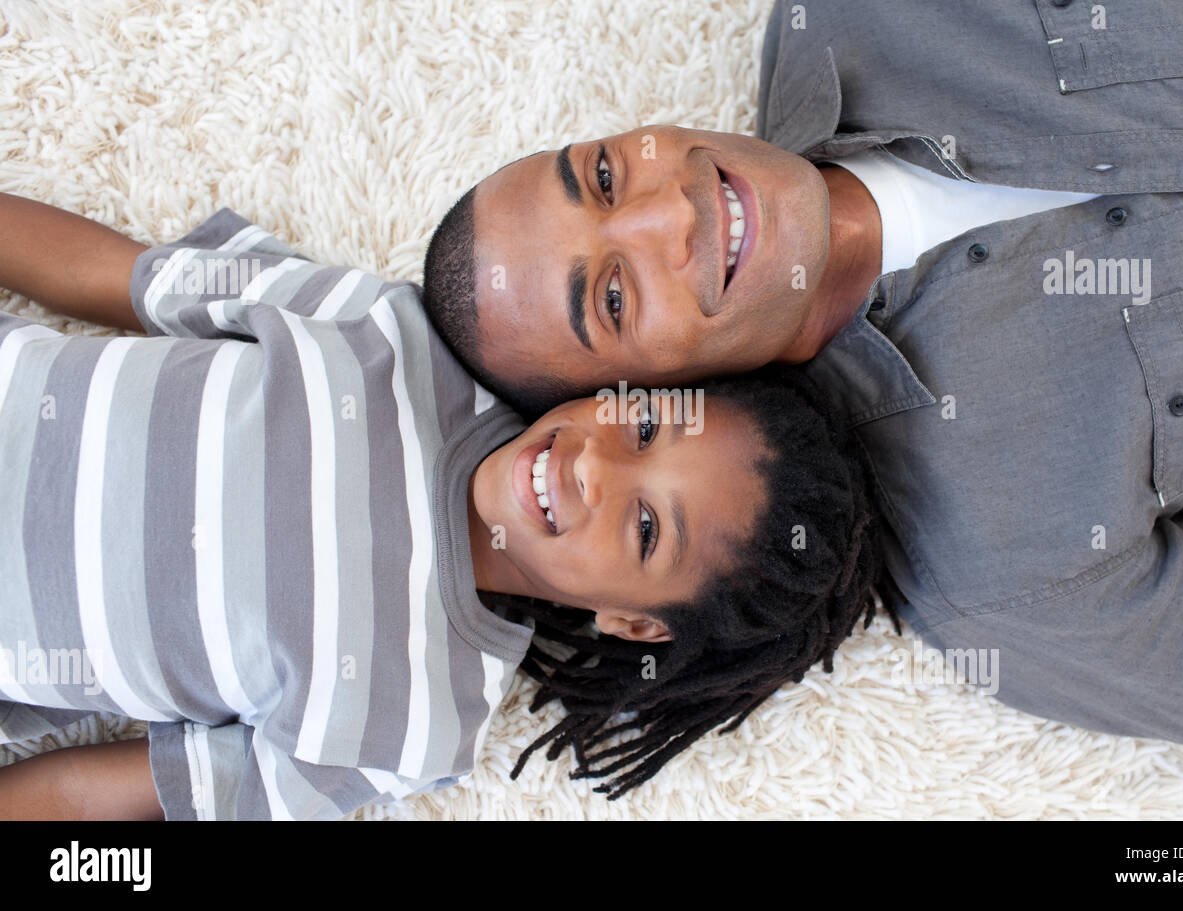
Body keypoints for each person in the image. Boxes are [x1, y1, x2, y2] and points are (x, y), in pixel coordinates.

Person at [420, 0, 1183, 781]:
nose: (673, 211)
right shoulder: (993, 568)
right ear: (638, 394)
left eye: (605, 178)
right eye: (613, 298)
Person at [0, 195, 895, 818]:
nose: (595, 466)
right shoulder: (387, 333)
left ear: (633, 623)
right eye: (648, 423)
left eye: (648, 527)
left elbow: (126, 795)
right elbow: (124, 278)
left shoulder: (417, 720)